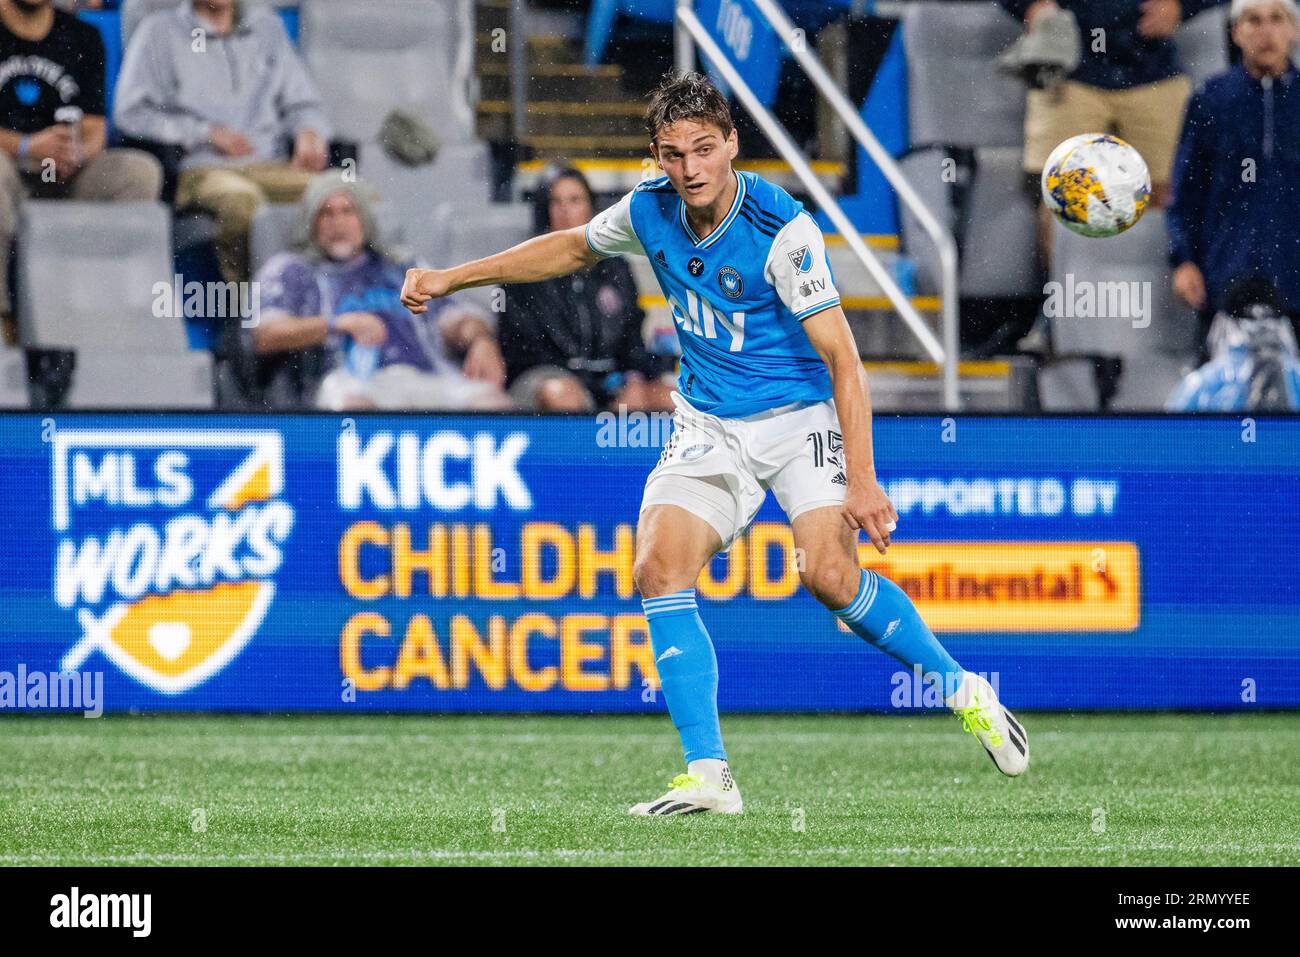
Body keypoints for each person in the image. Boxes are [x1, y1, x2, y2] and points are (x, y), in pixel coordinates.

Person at [402, 72, 1029, 815]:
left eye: (705, 148)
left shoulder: (780, 227)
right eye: (673, 153)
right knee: (657, 567)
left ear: (732, 142)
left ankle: (964, 688)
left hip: (799, 421)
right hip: (708, 423)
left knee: (828, 577)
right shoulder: (650, 210)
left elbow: (844, 360)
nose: (691, 168)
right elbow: (571, 247)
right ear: (656, 155)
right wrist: (453, 278)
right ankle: (710, 774)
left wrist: (862, 477)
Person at [250, 171, 509, 411]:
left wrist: (481, 341)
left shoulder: (402, 266)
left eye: (347, 211)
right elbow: (264, 335)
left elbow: (457, 316)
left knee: (492, 405)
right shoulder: (292, 269)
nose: (337, 222)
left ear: (365, 221)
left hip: (427, 376)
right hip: (348, 380)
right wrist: (337, 324)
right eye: (326, 213)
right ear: (311, 223)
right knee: (351, 408)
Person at [113, 0, 331, 282]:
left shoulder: (267, 27)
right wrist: (203, 132)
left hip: (271, 165)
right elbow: (130, 114)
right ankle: (254, 315)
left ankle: (330, 306)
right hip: (202, 170)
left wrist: (309, 131)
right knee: (242, 202)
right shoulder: (159, 31)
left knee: (344, 194)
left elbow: (303, 103)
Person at [0, 0, 161, 337]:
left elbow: (95, 130)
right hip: (9, 168)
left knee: (138, 172)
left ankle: (103, 316)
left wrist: (75, 153)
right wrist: (28, 146)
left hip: (63, 174)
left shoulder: (81, 35)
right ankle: (3, 319)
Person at [1167, 0, 1300, 353]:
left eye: (1277, 19)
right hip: (1227, 277)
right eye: (1253, 20)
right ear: (1236, 32)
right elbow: (1186, 191)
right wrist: (1184, 261)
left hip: (1295, 274)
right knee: (1224, 398)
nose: (1266, 31)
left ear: (1295, 30)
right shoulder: (1211, 100)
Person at [501, 164, 674, 412]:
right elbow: (521, 349)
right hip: (544, 377)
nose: (565, 210)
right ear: (543, 210)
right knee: (564, 396)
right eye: (555, 201)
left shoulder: (616, 268)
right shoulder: (522, 268)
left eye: (574, 200)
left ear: (590, 207)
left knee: (670, 398)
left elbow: (632, 339)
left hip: (609, 378)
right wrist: (583, 379)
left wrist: (633, 378)